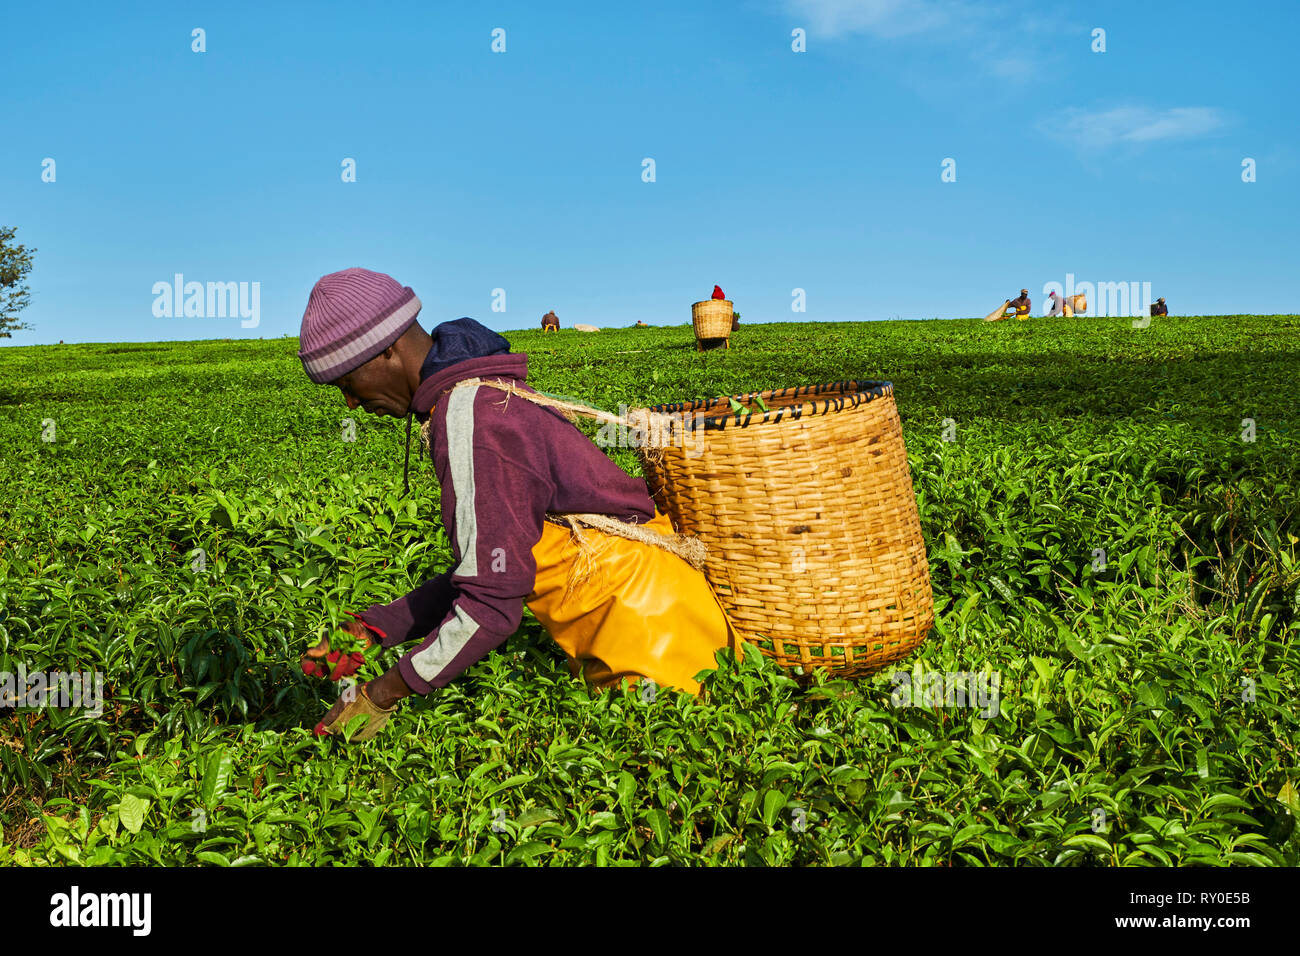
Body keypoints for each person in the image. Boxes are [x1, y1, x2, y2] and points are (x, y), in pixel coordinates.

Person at [295, 268, 742, 741]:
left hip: (646, 643)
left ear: (384, 348)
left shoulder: (471, 419)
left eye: (347, 380)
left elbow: (490, 605)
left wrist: (378, 695)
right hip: (667, 616)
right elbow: (498, 564)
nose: (349, 402)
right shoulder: (479, 395)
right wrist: (374, 628)